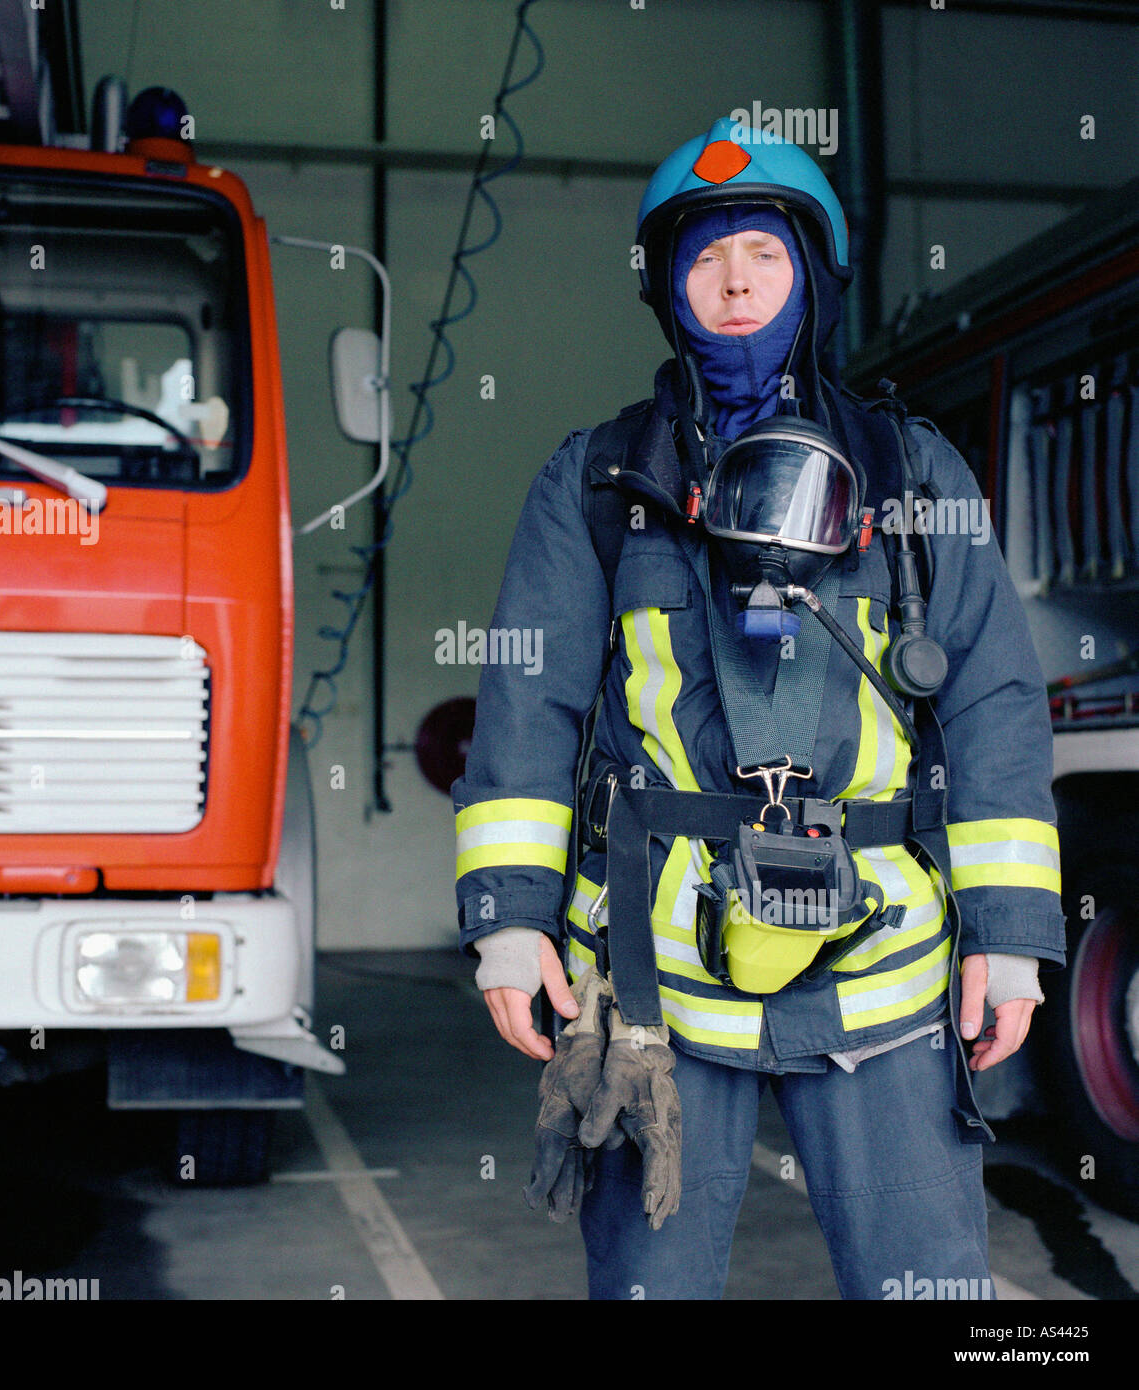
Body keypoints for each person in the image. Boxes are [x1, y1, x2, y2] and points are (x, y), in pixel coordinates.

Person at [452, 118, 1066, 1300]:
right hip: (654, 973)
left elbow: (990, 701)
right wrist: (508, 916)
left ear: (814, 277)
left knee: (928, 1288)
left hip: (883, 959)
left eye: (764, 254)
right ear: (664, 287)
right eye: (704, 258)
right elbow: (528, 704)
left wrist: (1012, 934)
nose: (734, 282)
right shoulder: (598, 484)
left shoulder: (912, 473)